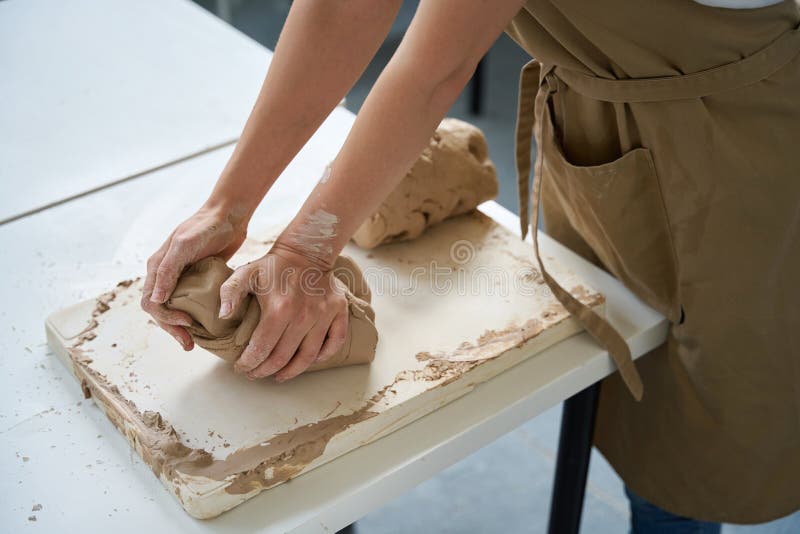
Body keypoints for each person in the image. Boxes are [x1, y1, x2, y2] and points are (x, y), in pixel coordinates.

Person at [140, 0, 800, 531]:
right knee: (616, 365)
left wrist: (304, 249)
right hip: (605, 118)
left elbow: (436, 65)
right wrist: (228, 206)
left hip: (726, 146)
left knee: (691, 429)